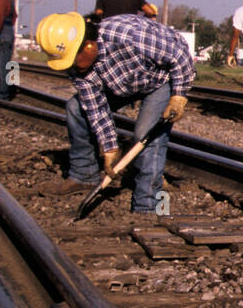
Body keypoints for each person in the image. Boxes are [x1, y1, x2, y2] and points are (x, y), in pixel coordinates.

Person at [35, 12, 193, 214]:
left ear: (89, 45)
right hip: (121, 83)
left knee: (145, 135)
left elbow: (180, 58)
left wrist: (179, 95)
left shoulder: (129, 36)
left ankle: (147, 204)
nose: (71, 68)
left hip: (158, 80)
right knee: (76, 108)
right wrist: (110, 149)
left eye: (73, 61)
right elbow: (95, 108)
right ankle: (83, 175)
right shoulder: (77, 64)